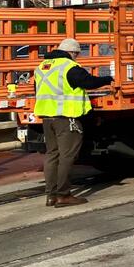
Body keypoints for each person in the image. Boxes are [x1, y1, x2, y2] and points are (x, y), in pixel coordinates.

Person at [33, 38, 113, 207]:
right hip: (66, 118)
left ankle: (51, 195)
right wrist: (109, 79)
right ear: (72, 52)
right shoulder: (70, 67)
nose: (76, 57)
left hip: (47, 118)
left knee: (52, 155)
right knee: (67, 156)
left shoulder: (42, 67)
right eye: (76, 54)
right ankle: (63, 195)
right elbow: (89, 82)